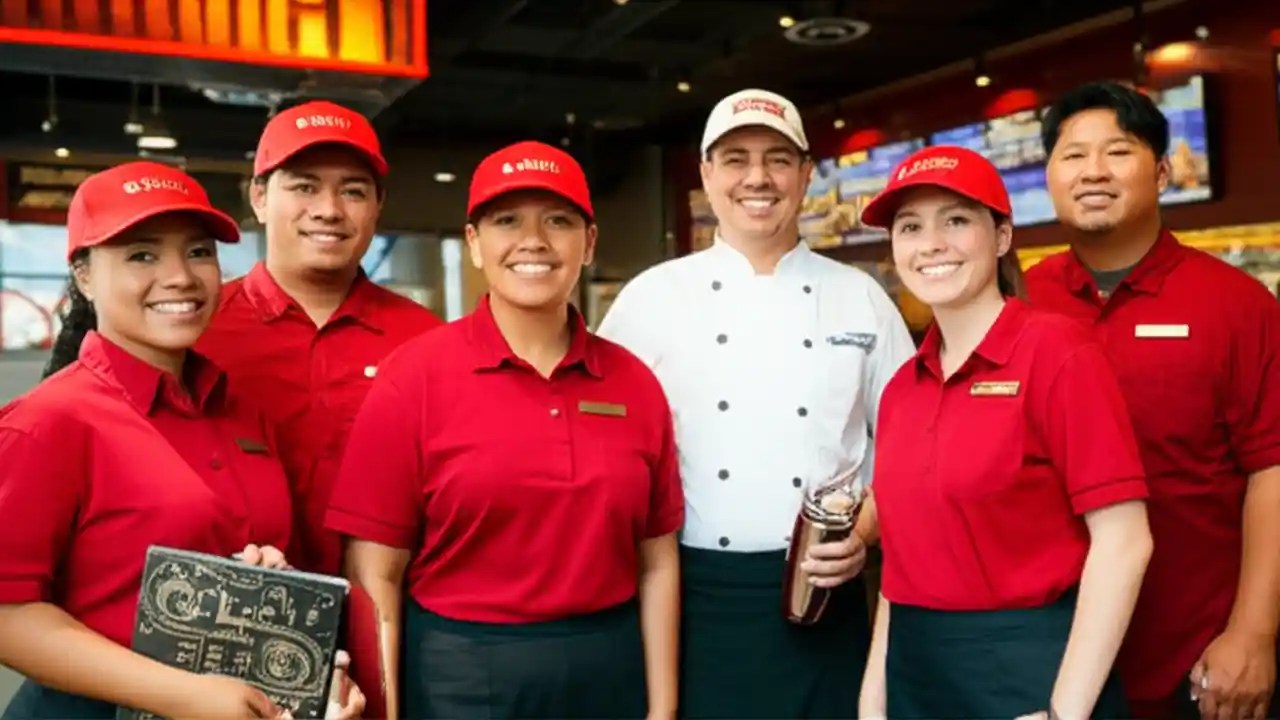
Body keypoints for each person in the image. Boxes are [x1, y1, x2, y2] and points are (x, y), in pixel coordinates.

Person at [325, 140, 683, 719]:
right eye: (507, 220)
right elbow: (375, 576)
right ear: (473, 242)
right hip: (462, 677)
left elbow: (658, 563)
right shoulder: (413, 377)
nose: (533, 240)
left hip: (610, 671)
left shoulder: (635, 383)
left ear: (590, 242)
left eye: (558, 221)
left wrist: (662, 710)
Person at [0, 162, 363, 719]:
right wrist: (184, 695)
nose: (180, 277)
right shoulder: (48, 421)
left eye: (197, 252)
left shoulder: (242, 413)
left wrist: (266, 582)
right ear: (84, 276)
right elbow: (7, 613)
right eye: (142, 255)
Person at [596, 88, 915, 718]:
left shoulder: (860, 298)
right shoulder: (650, 298)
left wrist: (867, 530)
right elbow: (605, 447)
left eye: (778, 159)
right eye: (736, 159)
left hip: (823, 588)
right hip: (687, 593)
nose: (758, 178)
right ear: (706, 174)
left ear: (806, 174)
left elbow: (914, 443)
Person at [854, 145, 1153, 719]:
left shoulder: (1057, 353)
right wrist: (873, 703)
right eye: (910, 227)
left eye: (956, 221)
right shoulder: (901, 389)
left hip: (1030, 673)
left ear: (1001, 237)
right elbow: (901, 569)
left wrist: (1064, 712)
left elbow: (1125, 542)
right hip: (914, 672)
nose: (931, 243)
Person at [1026, 81, 1280, 720]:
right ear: (1050, 177)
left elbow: (1272, 471)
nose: (1093, 171)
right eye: (1073, 155)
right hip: (1048, 655)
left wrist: (1254, 632)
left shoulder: (1237, 305)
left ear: (1163, 172)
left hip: (1196, 658)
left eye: (1118, 151)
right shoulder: (1019, 303)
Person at [197, 100, 444, 576]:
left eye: (353, 191)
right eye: (304, 187)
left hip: (391, 602)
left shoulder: (427, 341)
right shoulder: (197, 331)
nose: (329, 210)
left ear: (377, 207)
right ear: (259, 198)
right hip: (233, 603)